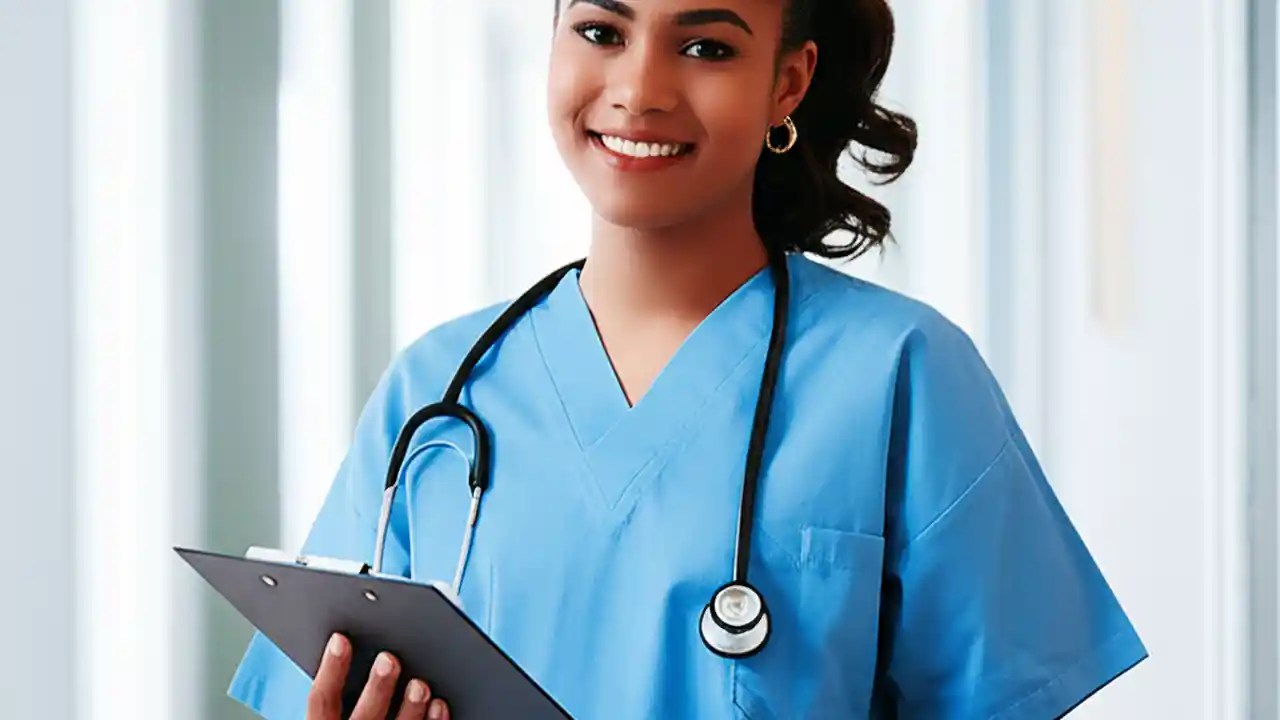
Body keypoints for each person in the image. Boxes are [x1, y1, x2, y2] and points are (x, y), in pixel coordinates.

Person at [228, 0, 1148, 717]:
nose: (640, 89)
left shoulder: (903, 375)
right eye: (600, 30)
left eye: (706, 47)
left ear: (788, 83)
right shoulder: (439, 385)